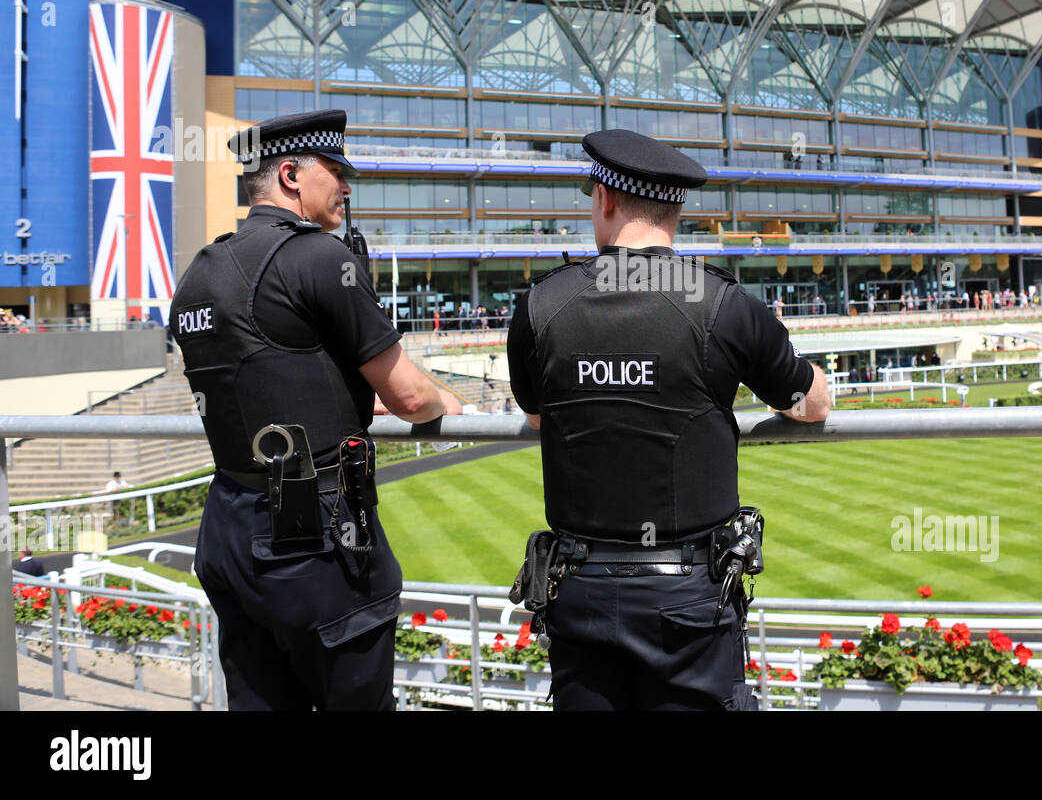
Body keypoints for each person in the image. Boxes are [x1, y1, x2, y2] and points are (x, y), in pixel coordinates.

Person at [507, 129, 830, 711]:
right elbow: (811, 406)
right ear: (677, 208)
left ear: (604, 200)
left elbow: (536, 417)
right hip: (688, 603)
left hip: (578, 591)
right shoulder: (724, 306)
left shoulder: (539, 307)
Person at [169, 109, 461, 711]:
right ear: (292, 174)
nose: (347, 186)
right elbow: (412, 396)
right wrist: (443, 401)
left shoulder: (199, 272)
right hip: (315, 534)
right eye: (336, 170)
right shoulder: (319, 258)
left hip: (228, 521)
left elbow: (265, 374)